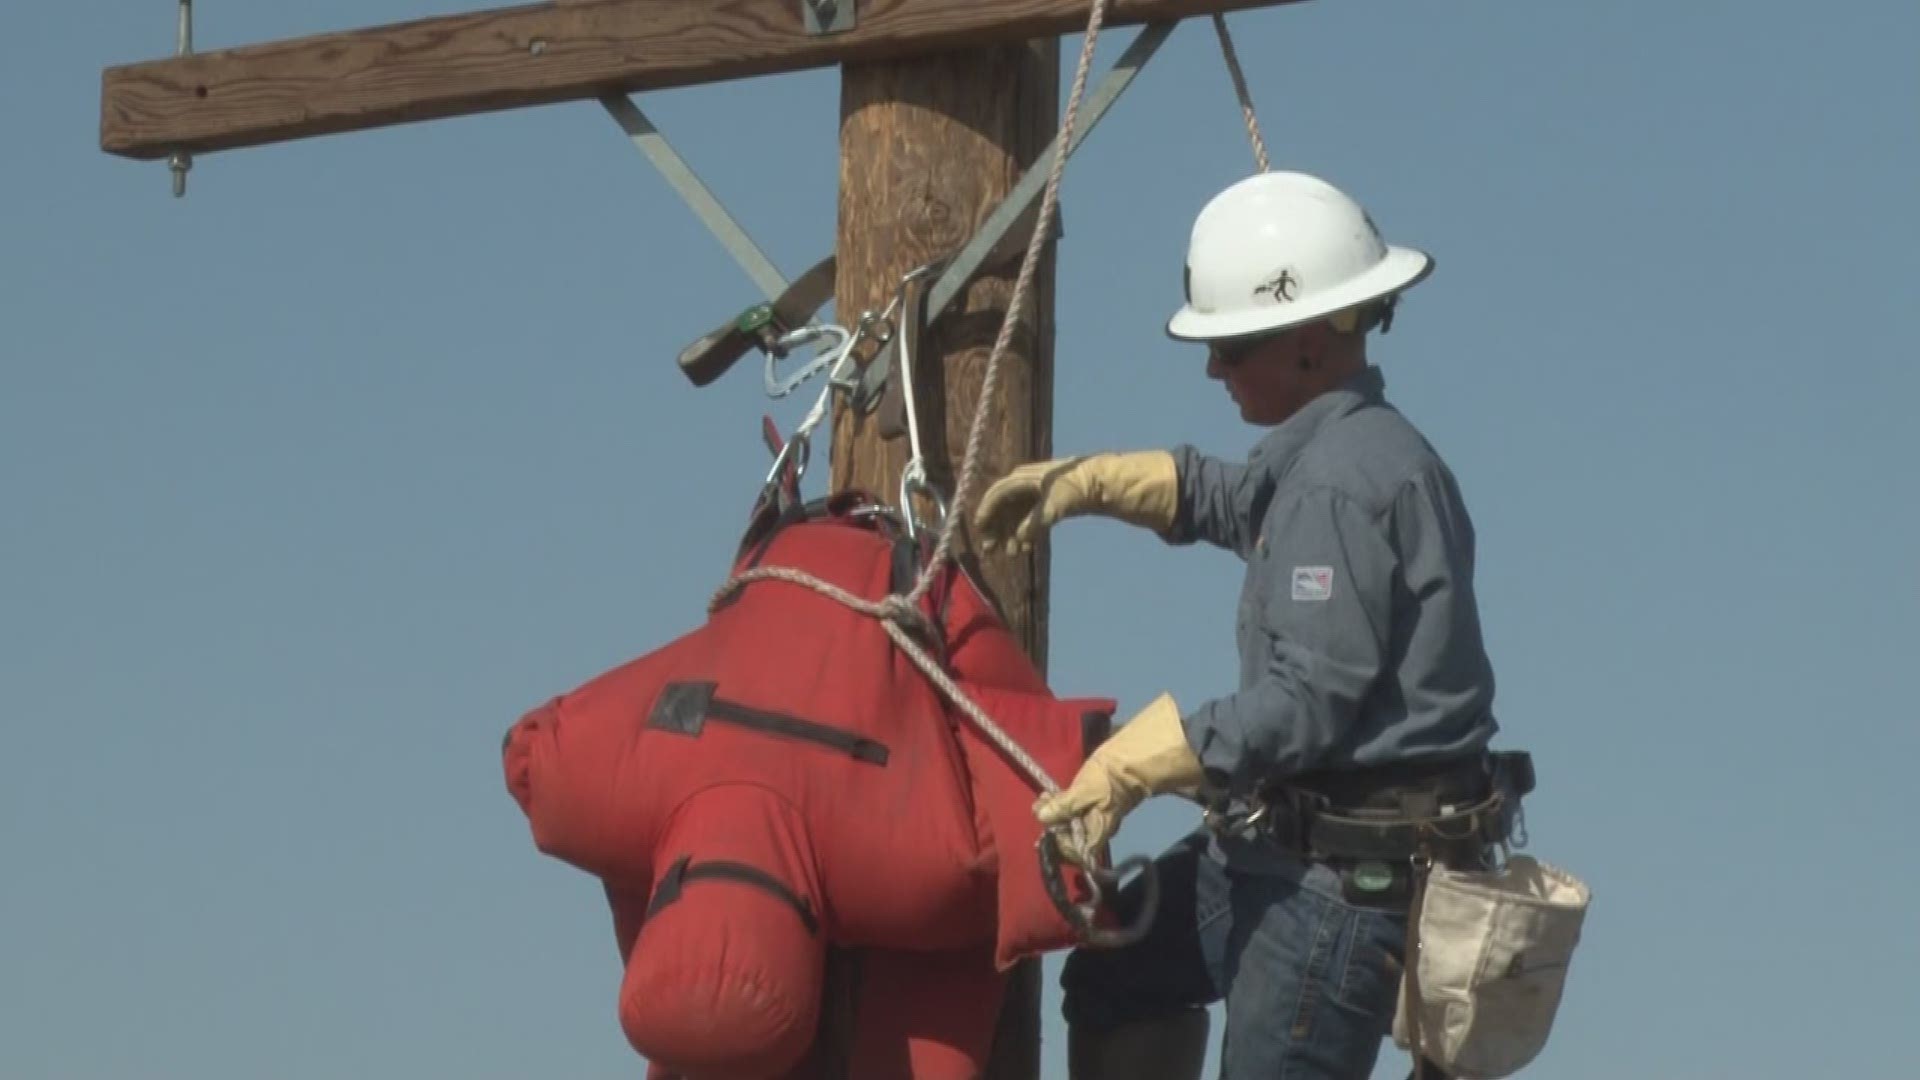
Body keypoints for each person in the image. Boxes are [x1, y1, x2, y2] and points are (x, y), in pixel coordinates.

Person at [971, 170, 1507, 1080]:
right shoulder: (1348, 449)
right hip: (1286, 850)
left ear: (1308, 342)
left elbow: (1306, 703)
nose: (1213, 369)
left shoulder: (1339, 484)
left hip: (1335, 887)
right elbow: (1240, 500)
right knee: (1121, 971)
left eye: (1230, 346)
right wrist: (1091, 483)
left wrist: (1139, 763)